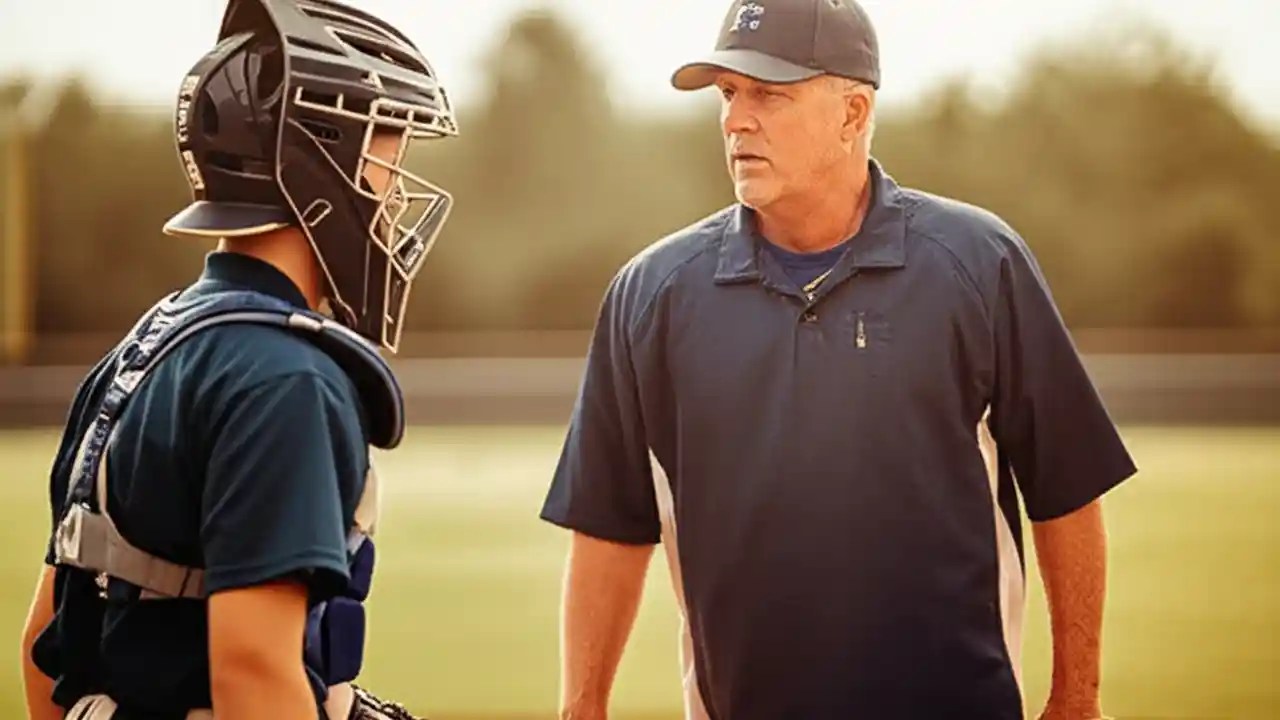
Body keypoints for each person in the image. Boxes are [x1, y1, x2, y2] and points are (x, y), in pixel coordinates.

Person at [538, 0, 1137, 718]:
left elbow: (1066, 491)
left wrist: (1077, 698)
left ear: (852, 114)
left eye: (769, 94)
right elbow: (607, 522)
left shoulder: (979, 264)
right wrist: (582, 710)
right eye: (728, 93)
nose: (735, 120)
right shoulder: (651, 294)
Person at [18, 1, 458, 718]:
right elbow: (253, 674)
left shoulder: (146, 348)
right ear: (317, 163)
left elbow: (47, 649)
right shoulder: (286, 378)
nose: (393, 201)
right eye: (385, 165)